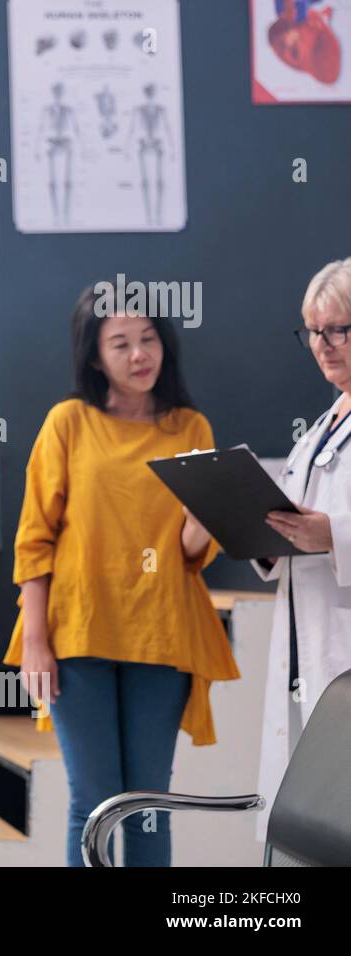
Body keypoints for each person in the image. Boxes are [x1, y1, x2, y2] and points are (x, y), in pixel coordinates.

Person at [4, 284, 239, 867]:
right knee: (95, 802)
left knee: (148, 803)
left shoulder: (191, 428)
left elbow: (190, 551)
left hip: (161, 631)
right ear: (94, 356)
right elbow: (36, 538)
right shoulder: (69, 423)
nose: (140, 355)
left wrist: (204, 517)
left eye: (149, 339)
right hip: (78, 632)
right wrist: (35, 639)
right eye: (121, 344)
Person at [250, 257, 351, 841]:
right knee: (308, 827)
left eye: (338, 329)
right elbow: (293, 517)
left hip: (341, 649)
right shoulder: (324, 423)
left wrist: (333, 535)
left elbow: (328, 527)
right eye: (313, 330)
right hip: (305, 646)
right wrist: (255, 531)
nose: (323, 344)